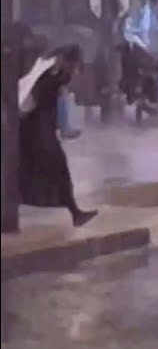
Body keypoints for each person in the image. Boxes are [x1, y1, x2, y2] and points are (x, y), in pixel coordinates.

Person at [18, 45, 97, 227]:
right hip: (36, 130)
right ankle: (75, 213)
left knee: (34, 171)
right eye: (74, 64)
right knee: (54, 169)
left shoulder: (57, 74)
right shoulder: (49, 76)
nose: (74, 69)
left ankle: (75, 213)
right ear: (67, 61)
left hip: (40, 129)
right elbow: (30, 100)